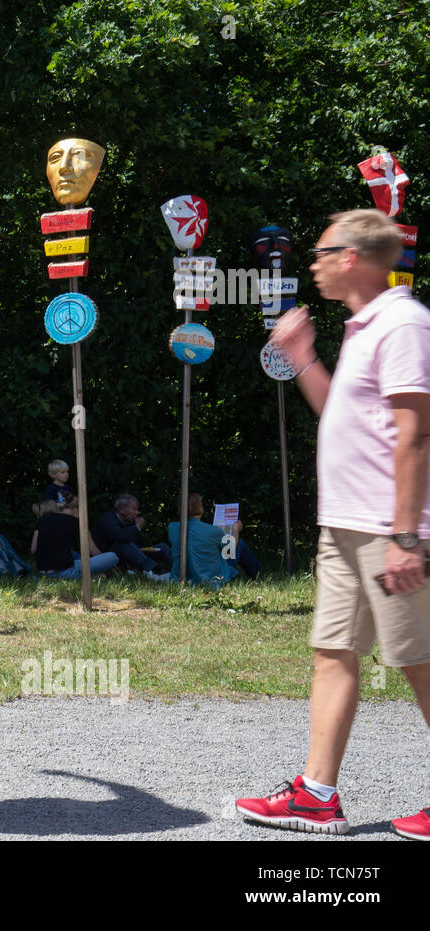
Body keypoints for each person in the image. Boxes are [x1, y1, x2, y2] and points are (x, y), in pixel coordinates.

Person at [237, 209, 430, 840]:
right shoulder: (363, 326)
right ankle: (315, 796)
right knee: (334, 652)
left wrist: (406, 536)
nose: (312, 264)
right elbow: (340, 414)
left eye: (320, 254)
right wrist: (301, 356)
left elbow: (415, 433)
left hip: (389, 529)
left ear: (352, 257)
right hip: (346, 524)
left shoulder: (404, 322)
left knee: (419, 660)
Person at [167, 494, 259, 587]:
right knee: (240, 544)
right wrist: (236, 530)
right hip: (211, 580)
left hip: (183, 579)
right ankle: (256, 574)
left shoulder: (172, 528)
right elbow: (230, 549)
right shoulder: (213, 531)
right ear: (201, 508)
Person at [33, 495, 118, 580]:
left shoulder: (43, 519)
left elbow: (34, 548)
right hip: (65, 572)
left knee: (73, 553)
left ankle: (95, 575)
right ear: (77, 510)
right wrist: (107, 565)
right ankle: (97, 574)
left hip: (42, 573)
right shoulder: (76, 522)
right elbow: (93, 551)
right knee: (112, 556)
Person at [92, 493, 172, 580]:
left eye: (137, 510)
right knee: (123, 544)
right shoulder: (107, 518)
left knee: (162, 547)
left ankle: (182, 569)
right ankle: (154, 569)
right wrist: (137, 528)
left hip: (132, 557)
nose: (137, 513)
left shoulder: (130, 522)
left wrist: (143, 550)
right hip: (111, 558)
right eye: (134, 509)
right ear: (122, 509)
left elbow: (133, 546)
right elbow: (121, 537)